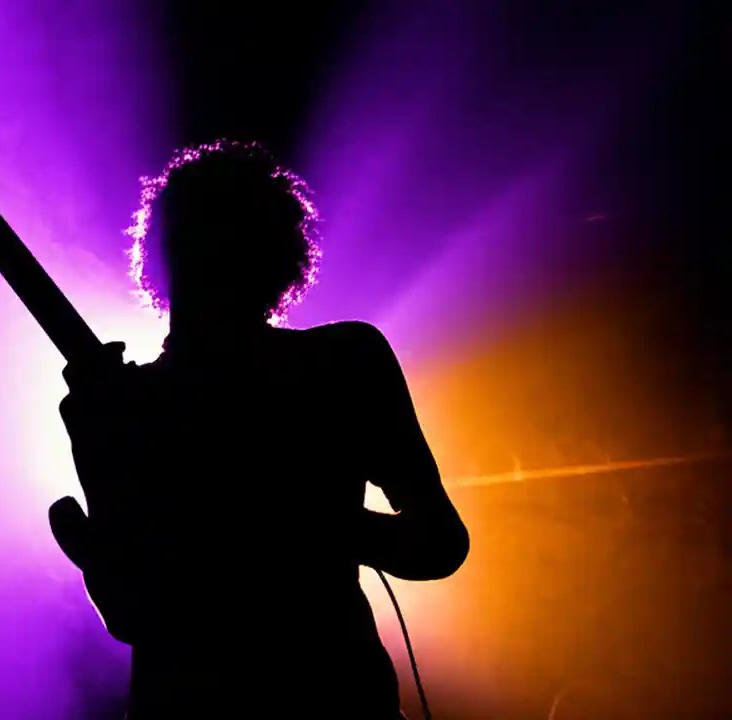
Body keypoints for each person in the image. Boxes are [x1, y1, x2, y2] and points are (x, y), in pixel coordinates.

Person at [48, 141, 470, 718]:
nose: (211, 257)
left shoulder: (343, 360)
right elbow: (131, 612)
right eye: (198, 238)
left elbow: (442, 540)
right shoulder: (125, 406)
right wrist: (96, 489)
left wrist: (301, 523)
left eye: (226, 238)